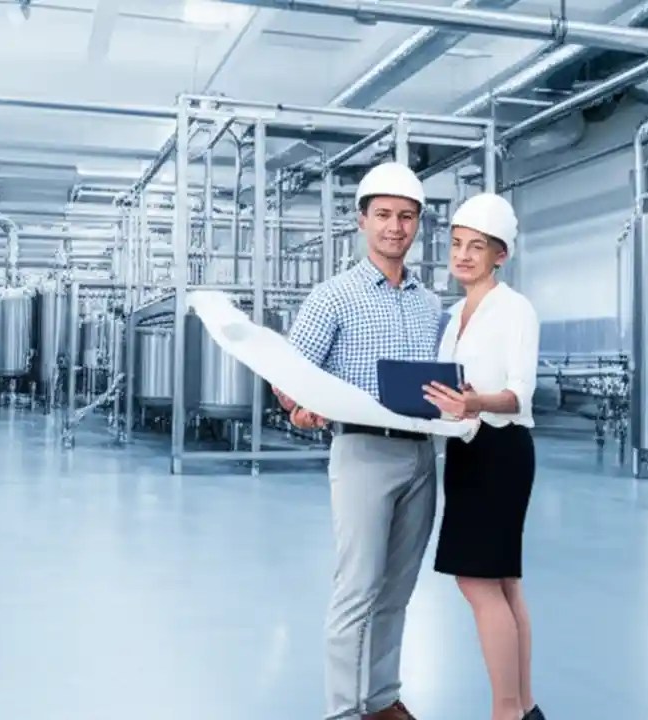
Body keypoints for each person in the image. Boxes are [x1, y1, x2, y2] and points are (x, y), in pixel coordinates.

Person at [272, 162, 443, 720]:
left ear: (419, 225)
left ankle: (382, 697)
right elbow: (287, 373)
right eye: (385, 216)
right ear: (362, 220)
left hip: (422, 453)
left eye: (407, 217)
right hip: (364, 453)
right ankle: (344, 711)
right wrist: (298, 407)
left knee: (397, 590)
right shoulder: (333, 296)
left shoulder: (429, 302)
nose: (396, 227)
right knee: (358, 591)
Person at [421, 192, 544, 720]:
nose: (463, 255)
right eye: (456, 245)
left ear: (500, 255)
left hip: (501, 449)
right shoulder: (454, 317)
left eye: (477, 246)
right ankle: (525, 707)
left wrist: (474, 401)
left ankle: (505, 712)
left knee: (477, 582)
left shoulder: (515, 309)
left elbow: (520, 393)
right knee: (503, 582)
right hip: (468, 450)